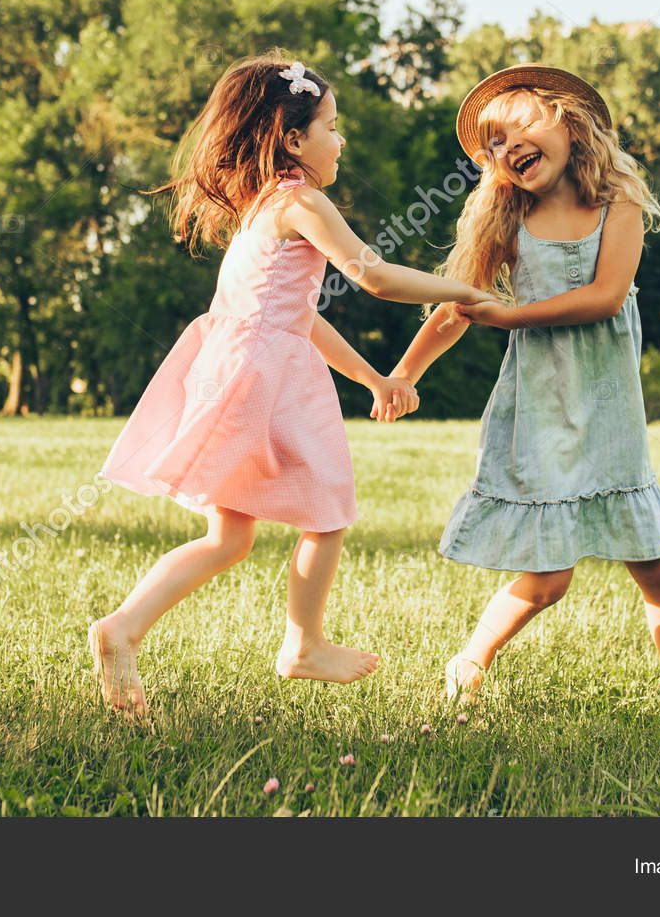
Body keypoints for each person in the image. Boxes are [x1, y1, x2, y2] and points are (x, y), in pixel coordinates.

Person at [90, 51, 500, 716]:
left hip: (245, 363)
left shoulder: (264, 208)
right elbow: (373, 274)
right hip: (262, 375)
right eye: (332, 125)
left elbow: (300, 315)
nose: (341, 139)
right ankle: (303, 642)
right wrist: (464, 290)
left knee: (230, 537)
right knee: (328, 507)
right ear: (292, 138)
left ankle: (124, 626)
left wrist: (372, 376)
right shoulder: (303, 201)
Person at [387, 65, 660, 705]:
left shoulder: (619, 200)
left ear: (569, 121)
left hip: (609, 412)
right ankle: (469, 664)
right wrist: (403, 374)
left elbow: (607, 297)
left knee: (657, 568)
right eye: (492, 144)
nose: (506, 148)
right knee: (549, 579)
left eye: (517, 127)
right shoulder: (508, 216)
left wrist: (511, 316)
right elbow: (457, 307)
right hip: (543, 409)